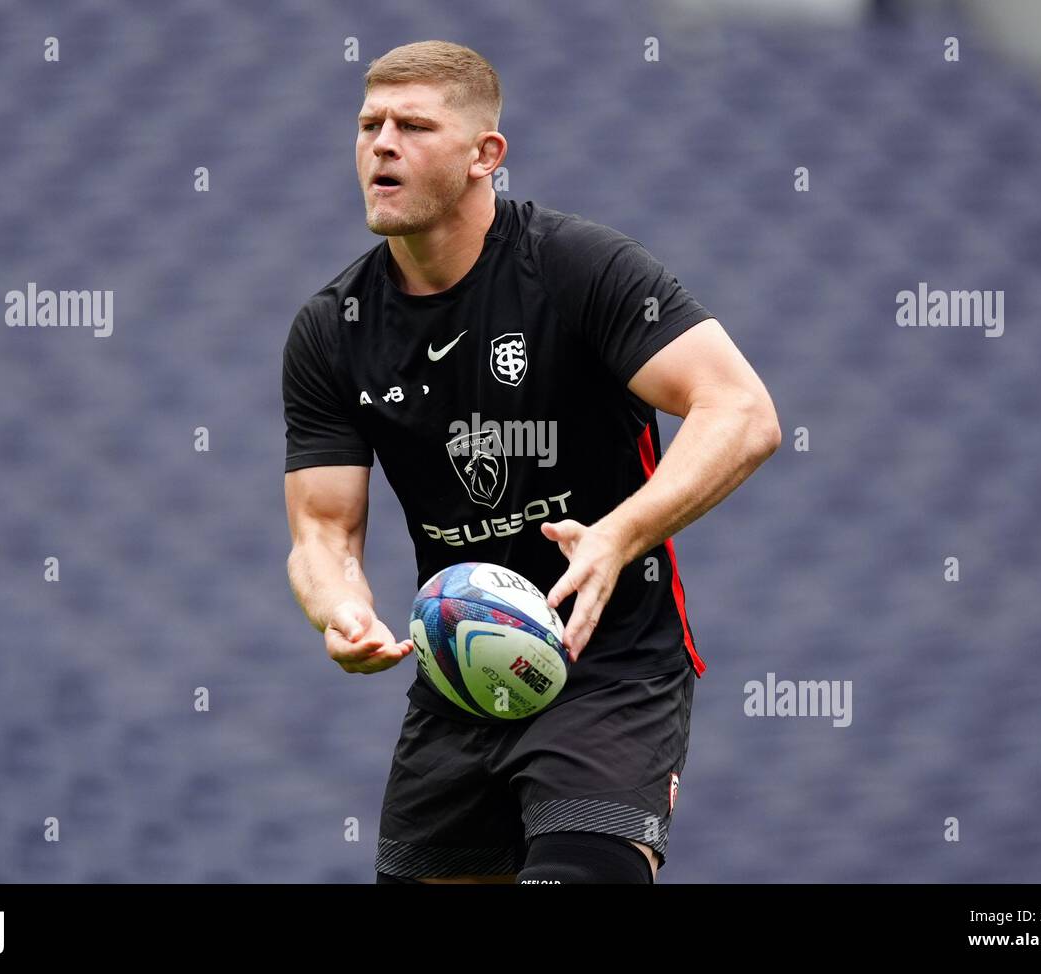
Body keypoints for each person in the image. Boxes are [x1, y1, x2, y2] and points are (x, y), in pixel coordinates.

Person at [282, 40, 781, 884]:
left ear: (486, 155)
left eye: (412, 125)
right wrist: (340, 610)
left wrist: (618, 536)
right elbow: (322, 529)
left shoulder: (577, 268)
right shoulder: (333, 330)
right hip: (454, 681)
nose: (381, 145)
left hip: (606, 668)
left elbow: (742, 411)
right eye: (369, 124)